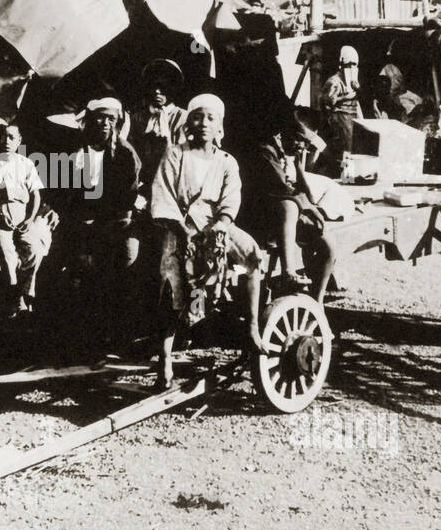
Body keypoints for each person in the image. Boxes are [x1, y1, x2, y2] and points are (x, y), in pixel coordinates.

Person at [149, 94, 269, 388]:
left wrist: (222, 224)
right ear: (189, 123)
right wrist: (182, 231)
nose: (203, 123)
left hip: (216, 226)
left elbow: (231, 198)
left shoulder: (227, 162)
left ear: (220, 128)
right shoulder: (176, 154)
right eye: (198, 117)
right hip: (180, 226)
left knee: (253, 255)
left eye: (210, 118)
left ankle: (253, 328)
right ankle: (164, 359)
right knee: (172, 283)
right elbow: (163, 196)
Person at [45, 98, 142, 345]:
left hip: (112, 224)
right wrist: (66, 215)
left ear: (118, 122)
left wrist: (99, 224)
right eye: (100, 117)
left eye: (111, 119)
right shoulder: (74, 150)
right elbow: (58, 190)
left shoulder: (124, 154)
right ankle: (51, 330)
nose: (105, 123)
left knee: (116, 270)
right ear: (89, 120)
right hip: (75, 222)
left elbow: (125, 201)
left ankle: (112, 334)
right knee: (51, 268)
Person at [0, 123, 53, 316]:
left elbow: (35, 195)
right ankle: (13, 298)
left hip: (23, 216)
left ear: (19, 141)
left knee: (34, 249)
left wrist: (30, 218)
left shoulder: (26, 164)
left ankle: (25, 294)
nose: (7, 141)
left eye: (11, 137)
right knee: (6, 253)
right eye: (3, 137)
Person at [260, 119, 338, 302]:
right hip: (262, 214)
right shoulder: (266, 151)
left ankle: (317, 302)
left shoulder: (287, 153)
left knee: (329, 245)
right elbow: (282, 191)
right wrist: (309, 207)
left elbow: (307, 195)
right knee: (290, 206)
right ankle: (288, 272)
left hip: (286, 215)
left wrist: (298, 166)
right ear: (283, 135)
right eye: (299, 140)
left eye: (306, 143)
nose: (302, 147)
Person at [126, 59, 186, 192]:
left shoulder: (182, 117)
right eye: (154, 87)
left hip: (172, 181)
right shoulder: (138, 118)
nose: (157, 92)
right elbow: (130, 151)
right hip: (141, 180)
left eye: (162, 87)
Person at [320, 45, 361, 174]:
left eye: (355, 65)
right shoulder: (334, 81)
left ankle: (351, 174)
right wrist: (344, 97)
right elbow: (326, 101)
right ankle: (347, 176)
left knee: (354, 147)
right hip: (340, 117)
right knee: (346, 148)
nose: (353, 68)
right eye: (350, 65)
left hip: (353, 117)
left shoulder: (353, 81)